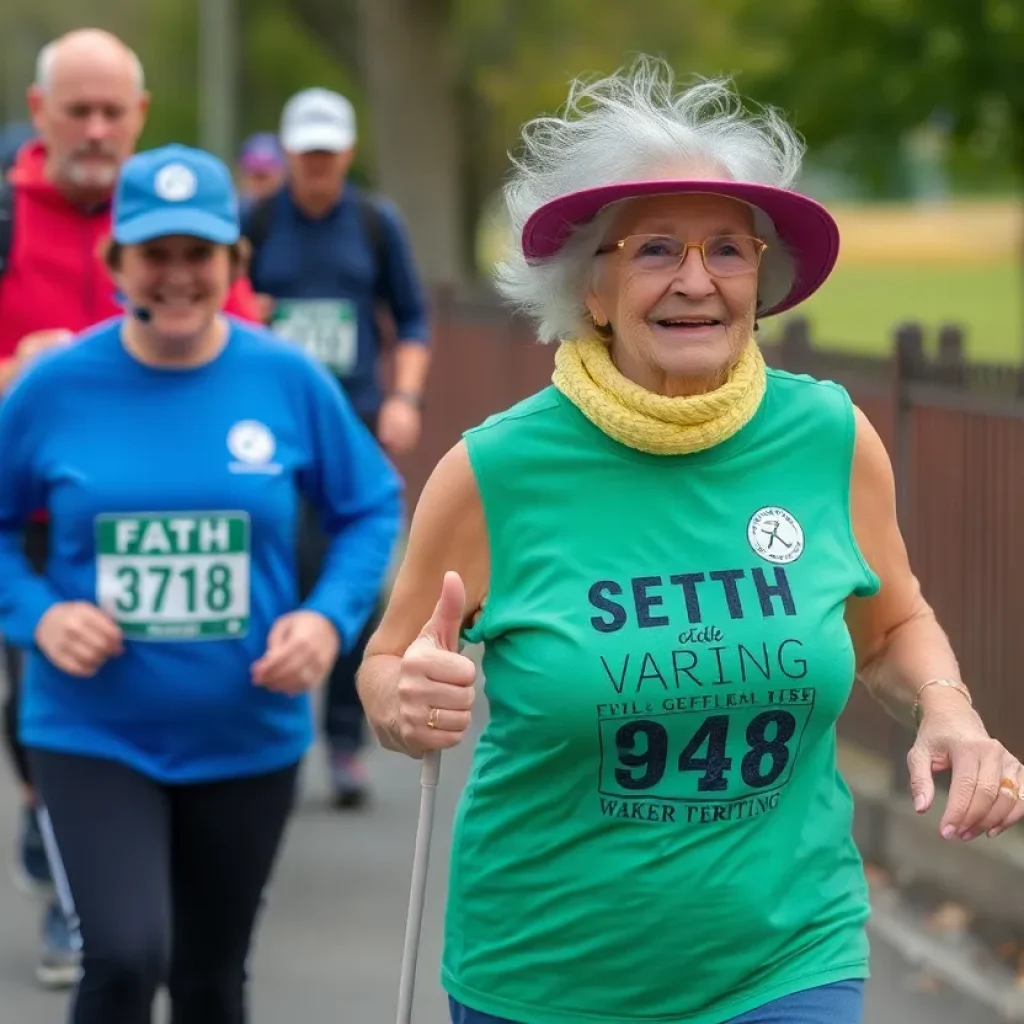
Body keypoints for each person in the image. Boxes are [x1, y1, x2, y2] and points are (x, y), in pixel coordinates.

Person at [357, 58, 1024, 1024]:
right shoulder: (495, 471)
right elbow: (388, 664)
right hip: (547, 974)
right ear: (592, 288)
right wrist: (402, 698)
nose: (697, 282)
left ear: (764, 278)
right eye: (656, 250)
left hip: (787, 958)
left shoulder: (828, 438)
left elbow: (890, 625)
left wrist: (948, 710)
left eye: (729, 251)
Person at [0, 141, 402, 1024]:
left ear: (235, 263)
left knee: (212, 981)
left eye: (198, 254)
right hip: (91, 729)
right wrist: (37, 612)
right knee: (125, 956)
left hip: (246, 734)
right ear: (116, 263)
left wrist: (327, 622)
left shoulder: (286, 378)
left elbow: (371, 508)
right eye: (155, 254)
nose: (177, 276)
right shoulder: (55, 387)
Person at [0, 28, 264, 987]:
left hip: (173, 492)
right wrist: (19, 374)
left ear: (141, 117)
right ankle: (69, 852)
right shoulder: (5, 216)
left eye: (116, 111)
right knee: (43, 669)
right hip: (34, 490)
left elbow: (245, 343)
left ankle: (161, 855)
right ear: (41, 114)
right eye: (80, 109)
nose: (99, 128)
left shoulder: (179, 209)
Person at [244, 86, 431, 808]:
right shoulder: (256, 222)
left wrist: (404, 398)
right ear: (287, 155)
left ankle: (346, 742)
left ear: (347, 153)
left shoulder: (374, 225)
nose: (317, 166)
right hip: (268, 434)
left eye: (328, 153)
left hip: (351, 428)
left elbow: (411, 320)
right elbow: (220, 306)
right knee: (273, 572)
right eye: (306, 154)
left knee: (357, 578)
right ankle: (273, 726)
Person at [236, 131, 286, 214]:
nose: (258, 184)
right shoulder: (234, 213)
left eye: (264, 176)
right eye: (254, 176)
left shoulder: (294, 214)